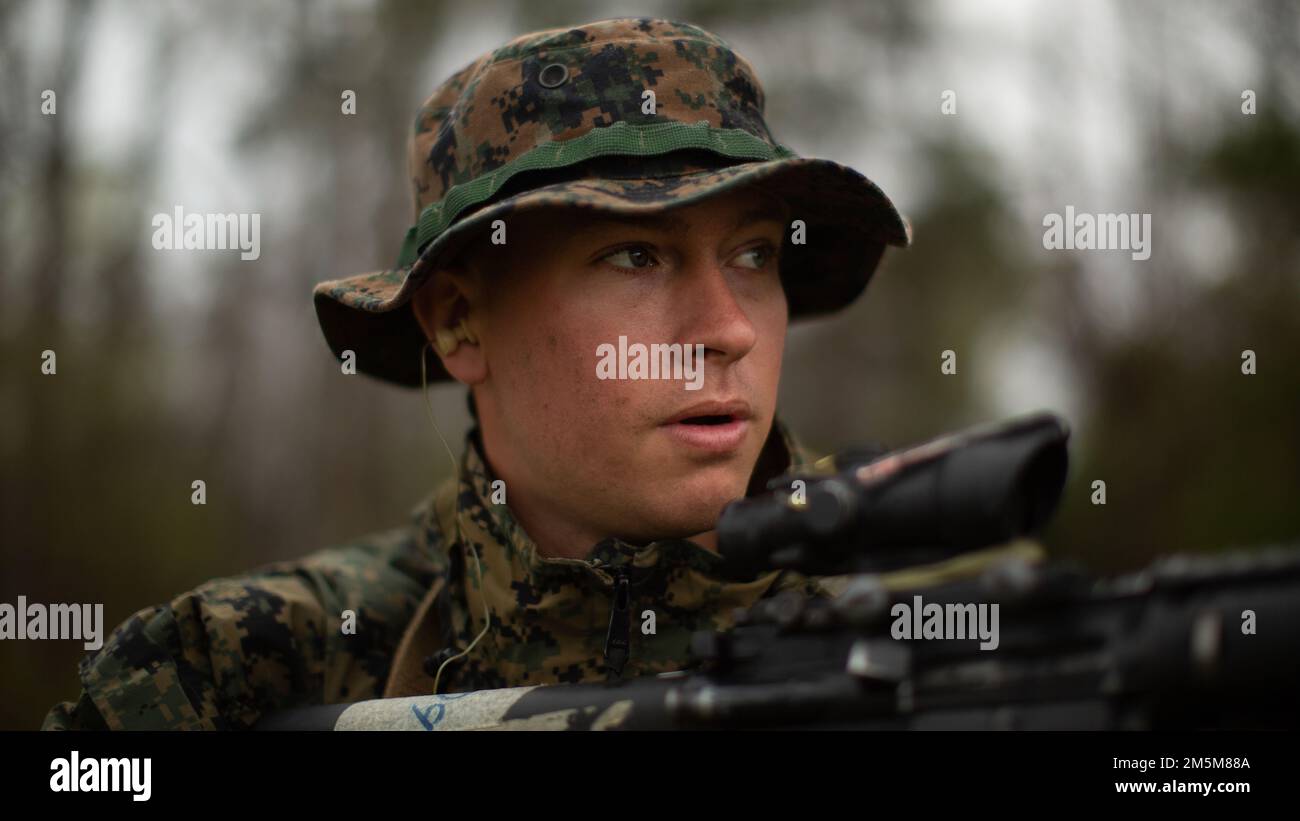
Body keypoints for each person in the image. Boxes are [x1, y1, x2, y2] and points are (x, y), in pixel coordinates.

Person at [43, 16, 910, 730]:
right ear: (459, 320)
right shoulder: (237, 666)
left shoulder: (926, 636)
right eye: (636, 254)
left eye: (755, 253)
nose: (727, 329)